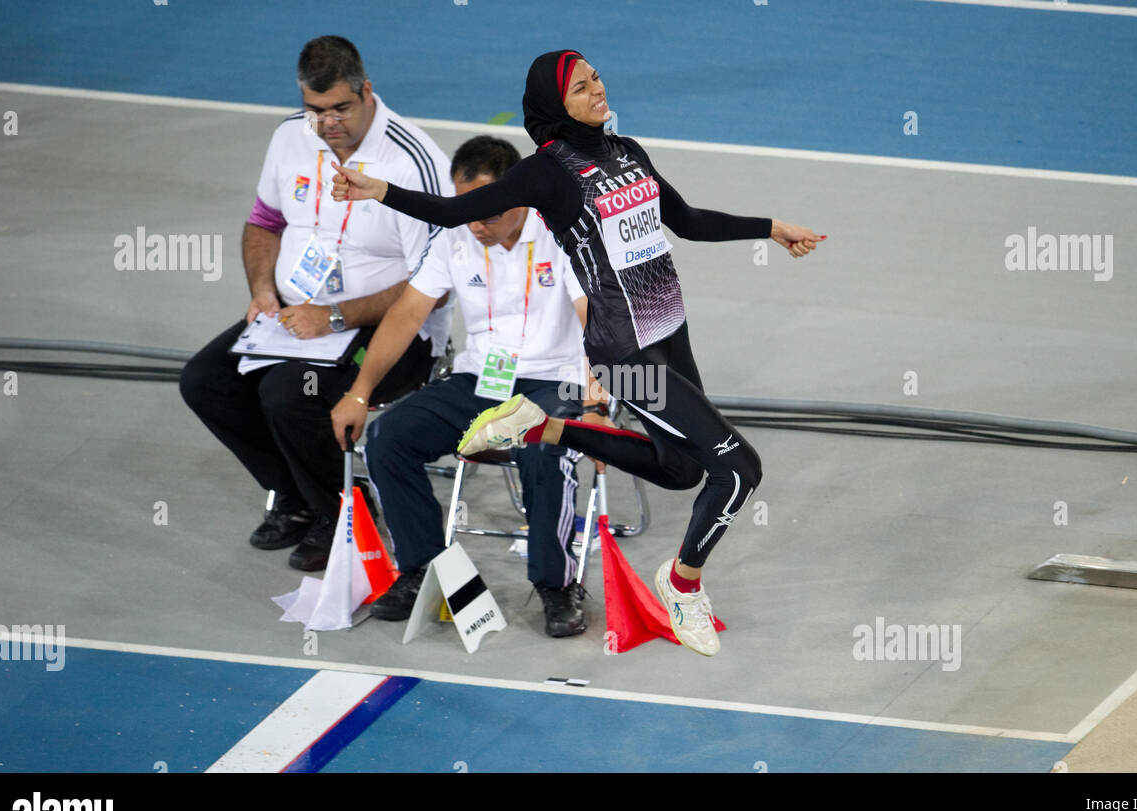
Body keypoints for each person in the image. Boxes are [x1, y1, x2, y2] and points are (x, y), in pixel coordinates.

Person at [330, 50, 823, 656]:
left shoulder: (629, 152)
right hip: (622, 351)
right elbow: (454, 211)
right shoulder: (547, 173)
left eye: (597, 78)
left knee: (683, 469)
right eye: (582, 85)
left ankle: (546, 430)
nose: (597, 88)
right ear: (554, 104)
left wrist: (770, 227)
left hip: (668, 330)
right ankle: (682, 583)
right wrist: (376, 188)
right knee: (740, 468)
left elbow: (687, 221)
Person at [180, 35, 453, 571]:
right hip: (292, 317)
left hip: (391, 332)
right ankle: (298, 496)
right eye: (315, 110)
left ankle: (347, 515)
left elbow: (435, 283)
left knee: (288, 393)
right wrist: (262, 288)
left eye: (340, 109)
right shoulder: (290, 137)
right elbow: (264, 223)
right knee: (205, 381)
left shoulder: (412, 159)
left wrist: (334, 317)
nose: (328, 123)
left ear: (366, 91)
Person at [329, 135, 594, 637]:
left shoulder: (563, 233)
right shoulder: (454, 238)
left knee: (542, 445)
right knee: (389, 438)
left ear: (522, 196)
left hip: (555, 381)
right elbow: (408, 314)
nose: (476, 223)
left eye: (488, 211)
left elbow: (594, 322)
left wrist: (599, 399)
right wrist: (359, 393)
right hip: (479, 381)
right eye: (467, 208)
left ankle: (557, 585)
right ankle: (429, 573)